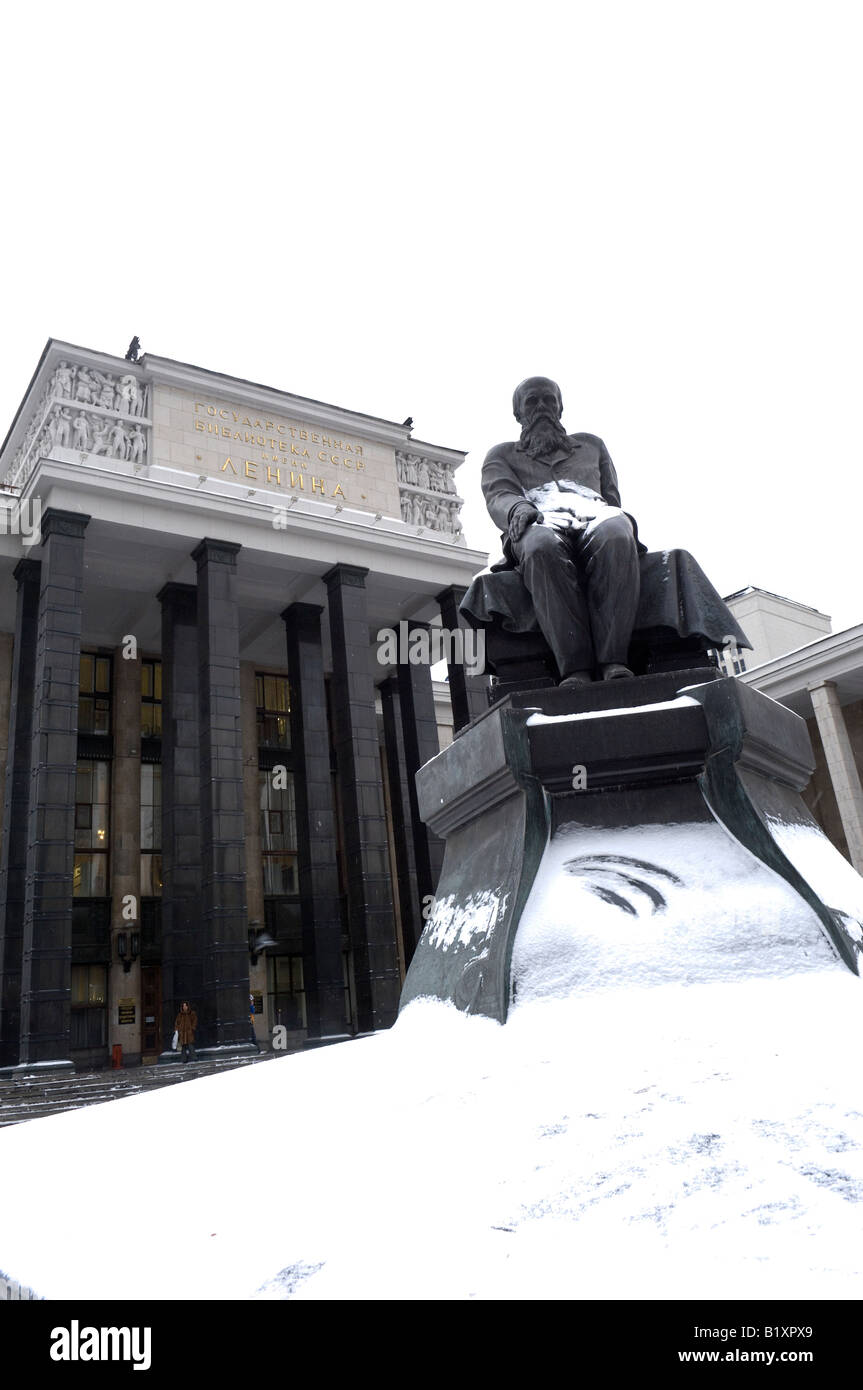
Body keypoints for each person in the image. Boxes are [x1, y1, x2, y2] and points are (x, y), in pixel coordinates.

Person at [481, 376, 641, 686]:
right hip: (537, 519)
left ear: (560, 407)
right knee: (540, 547)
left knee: (618, 532)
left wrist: (610, 515)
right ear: (518, 414)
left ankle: (613, 661)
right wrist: (518, 509)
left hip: (593, 514)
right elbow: (499, 494)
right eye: (531, 401)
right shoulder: (501, 455)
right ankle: (575, 668)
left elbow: (612, 496)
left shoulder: (592, 445)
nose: (541, 407)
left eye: (548, 400)